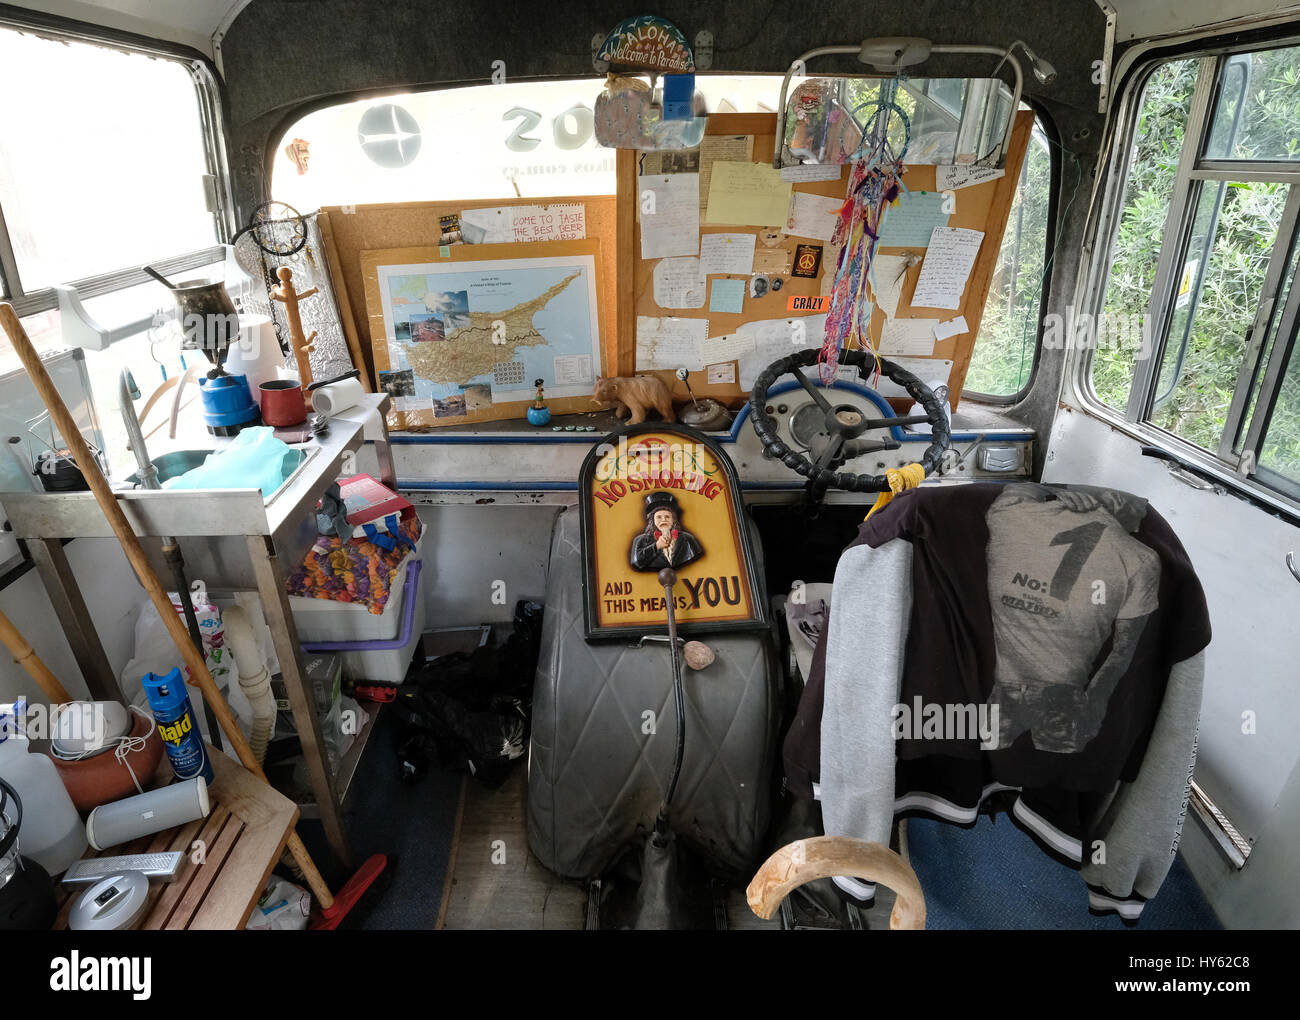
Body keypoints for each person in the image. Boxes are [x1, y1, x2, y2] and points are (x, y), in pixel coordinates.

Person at [629, 492, 703, 571]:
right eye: (659, 517)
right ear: (653, 520)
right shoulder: (641, 540)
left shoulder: (687, 539)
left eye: (667, 517)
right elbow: (637, 561)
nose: (663, 520)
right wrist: (657, 546)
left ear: (673, 520)